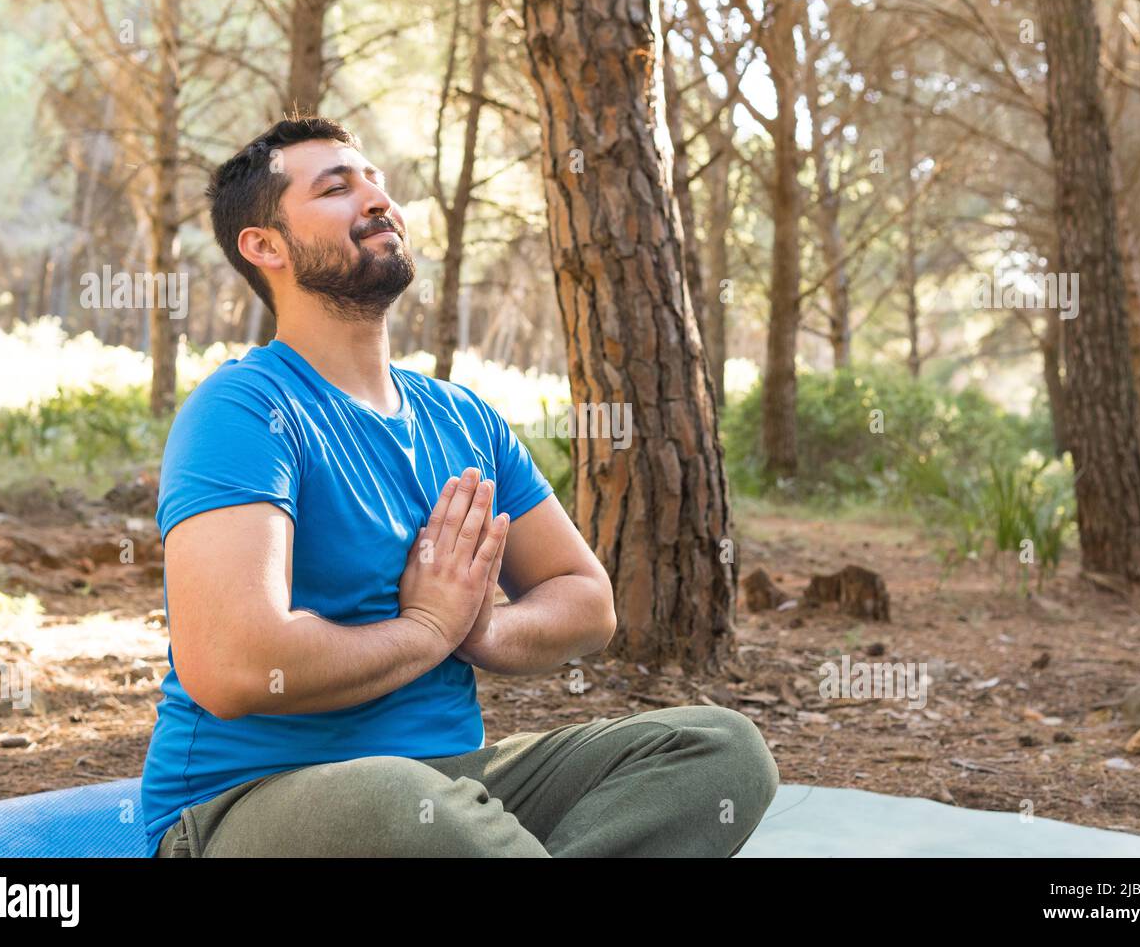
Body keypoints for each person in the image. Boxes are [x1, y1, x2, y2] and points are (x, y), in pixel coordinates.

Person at [141, 115, 779, 857]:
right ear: (265, 246)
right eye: (338, 188)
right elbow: (236, 666)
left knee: (717, 747)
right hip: (255, 806)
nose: (378, 201)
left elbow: (586, 601)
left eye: (377, 182)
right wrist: (425, 632)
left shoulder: (462, 416)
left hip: (450, 794)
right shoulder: (244, 410)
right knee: (396, 798)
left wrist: (480, 629)